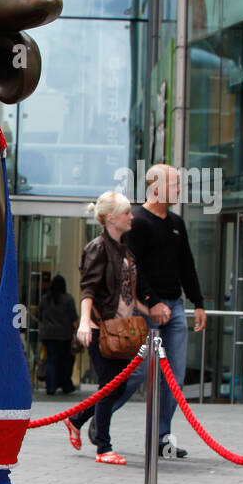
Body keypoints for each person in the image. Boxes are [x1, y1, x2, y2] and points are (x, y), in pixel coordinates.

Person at [111, 163, 208, 458]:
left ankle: (160, 438)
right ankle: (96, 417)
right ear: (156, 188)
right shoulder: (137, 221)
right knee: (136, 374)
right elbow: (133, 267)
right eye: (175, 184)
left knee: (174, 378)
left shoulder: (177, 223)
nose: (180, 190)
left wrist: (199, 302)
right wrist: (152, 303)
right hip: (146, 310)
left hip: (175, 307)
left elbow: (187, 266)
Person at [65, 192, 157, 465]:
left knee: (117, 387)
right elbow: (88, 287)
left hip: (120, 328)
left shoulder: (123, 249)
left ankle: (77, 420)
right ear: (111, 218)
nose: (132, 217)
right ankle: (103, 446)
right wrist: (84, 321)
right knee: (109, 385)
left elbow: (126, 291)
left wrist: (148, 308)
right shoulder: (99, 247)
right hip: (101, 327)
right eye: (127, 213)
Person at [38, 274, 77, 395]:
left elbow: (40, 316)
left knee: (51, 360)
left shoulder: (45, 299)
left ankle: (50, 386)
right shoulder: (68, 299)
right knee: (65, 361)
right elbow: (73, 317)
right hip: (64, 335)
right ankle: (65, 385)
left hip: (48, 335)